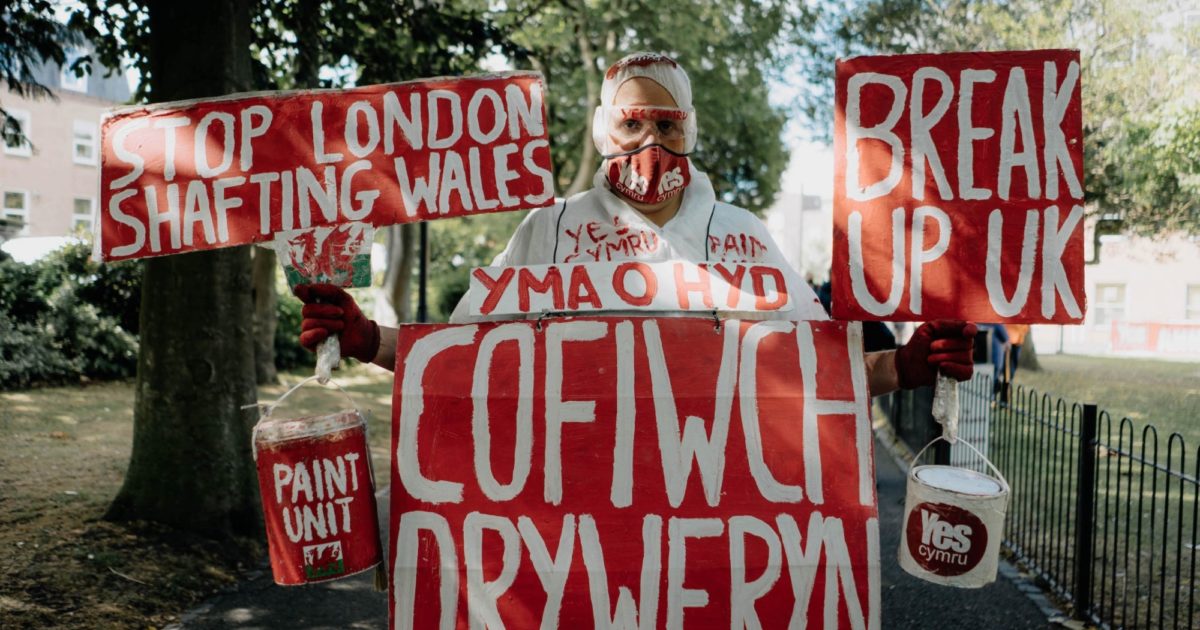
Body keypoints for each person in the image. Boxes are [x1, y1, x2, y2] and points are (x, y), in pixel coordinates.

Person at [295, 52, 975, 395]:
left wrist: (909, 366)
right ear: (604, 128)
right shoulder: (549, 230)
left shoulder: (744, 236)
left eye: (667, 123)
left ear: (691, 130)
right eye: (631, 122)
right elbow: (459, 359)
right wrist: (365, 338)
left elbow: (818, 371)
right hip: (567, 526)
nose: (649, 140)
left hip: (714, 529)